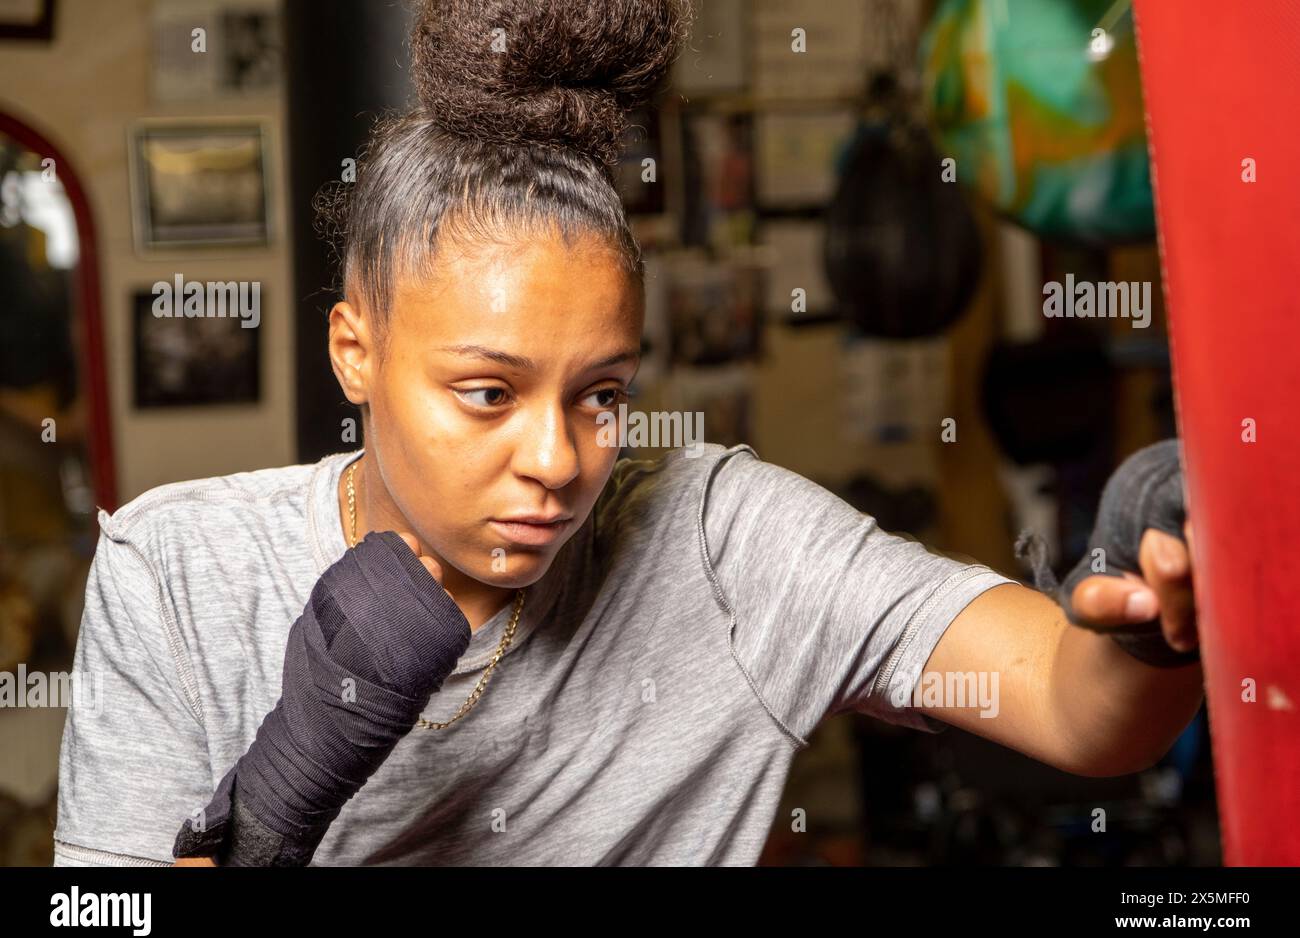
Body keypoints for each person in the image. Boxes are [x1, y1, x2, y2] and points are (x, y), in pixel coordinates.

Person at [52, 0, 1203, 867]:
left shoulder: (719, 542)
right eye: (488, 394)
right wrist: (282, 790)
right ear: (355, 349)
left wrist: (1146, 610)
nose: (557, 461)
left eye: (599, 393)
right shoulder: (180, 571)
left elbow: (1070, 702)